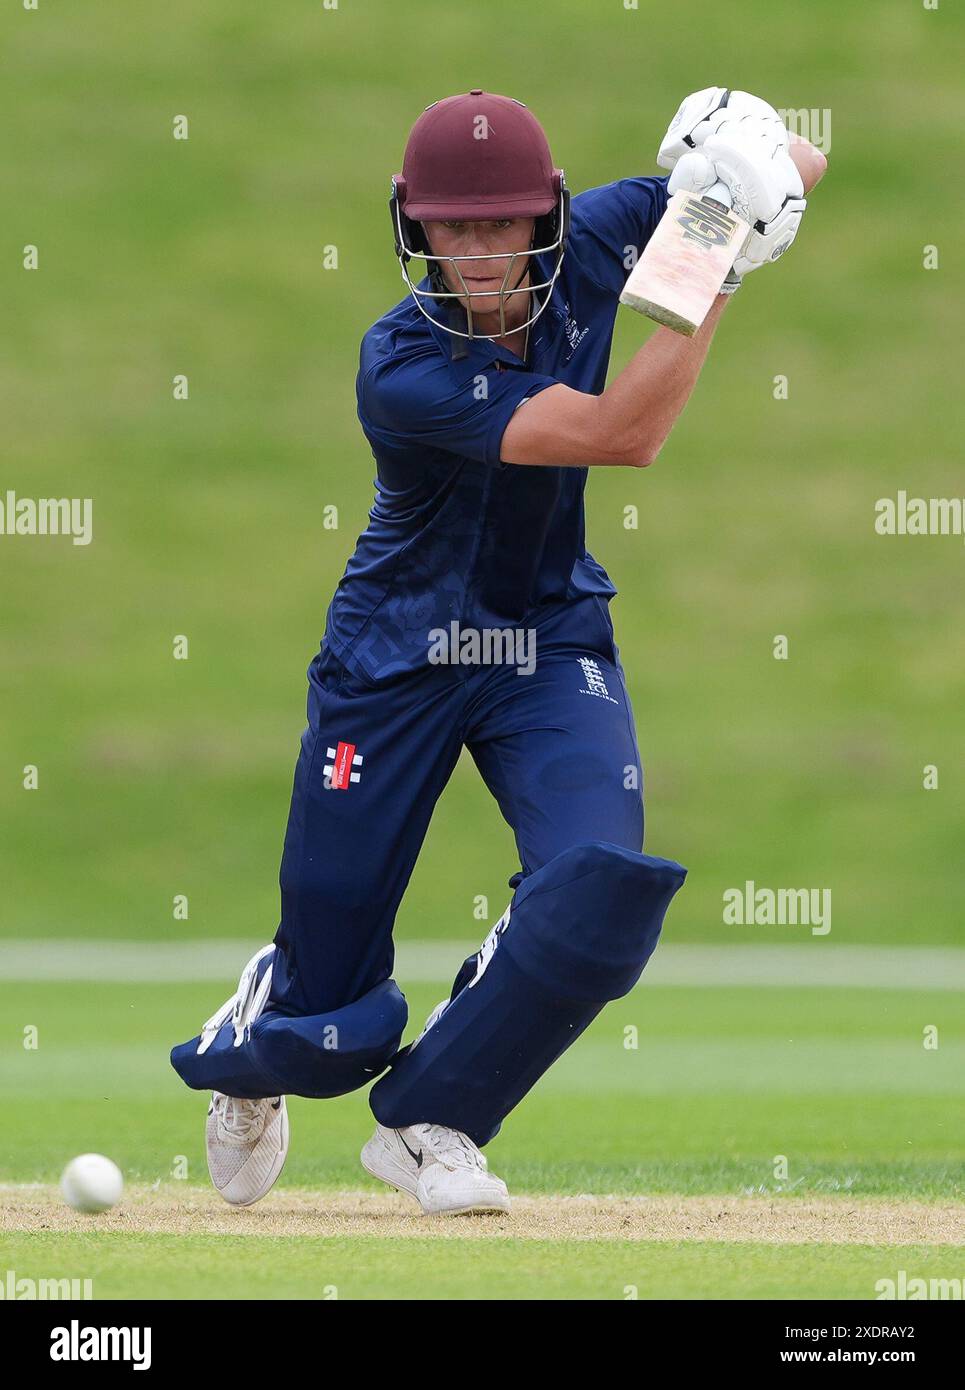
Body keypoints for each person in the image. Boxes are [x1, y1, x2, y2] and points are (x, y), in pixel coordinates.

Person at [171, 88, 827, 1216]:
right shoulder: (401, 368)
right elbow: (627, 433)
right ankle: (257, 1039)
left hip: (545, 638)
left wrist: (746, 157)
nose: (478, 250)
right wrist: (716, 259)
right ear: (411, 225)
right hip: (393, 659)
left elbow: (794, 157)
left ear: (548, 214)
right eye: (451, 226)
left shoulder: (606, 232)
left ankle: (438, 1118)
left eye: (503, 223)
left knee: (598, 900)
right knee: (336, 1027)